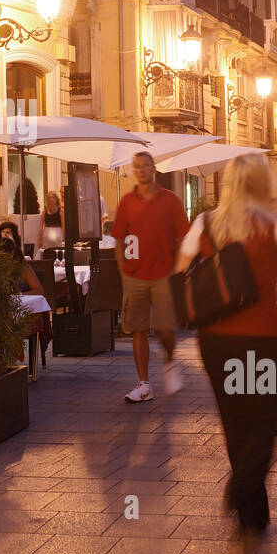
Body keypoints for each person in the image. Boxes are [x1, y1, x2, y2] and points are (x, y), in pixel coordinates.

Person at [177, 154, 277, 530]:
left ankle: (252, 512)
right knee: (267, 418)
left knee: (235, 421)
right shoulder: (273, 225)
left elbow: (180, 267)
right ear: (263, 186)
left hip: (215, 342)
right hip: (262, 339)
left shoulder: (205, 223)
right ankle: (242, 485)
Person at [113, 151, 192, 403]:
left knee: (165, 327)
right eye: (137, 166)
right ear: (133, 170)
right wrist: (123, 267)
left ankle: (169, 363)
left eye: (145, 166)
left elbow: (184, 236)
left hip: (163, 274)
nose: (141, 170)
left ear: (153, 168)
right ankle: (144, 384)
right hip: (135, 275)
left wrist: (178, 266)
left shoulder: (170, 200)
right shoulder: (126, 201)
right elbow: (118, 237)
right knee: (138, 329)